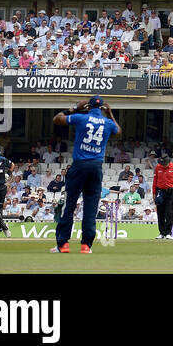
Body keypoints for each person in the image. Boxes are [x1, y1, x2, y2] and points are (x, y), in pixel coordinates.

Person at [51, 95, 120, 254]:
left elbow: (57, 119)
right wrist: (110, 114)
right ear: (102, 108)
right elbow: (118, 130)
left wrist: (75, 108)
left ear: (88, 106)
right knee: (90, 207)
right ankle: (86, 245)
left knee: (69, 205)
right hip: (96, 167)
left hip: (79, 165)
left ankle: (63, 245)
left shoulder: (81, 117)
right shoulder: (108, 123)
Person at [153, 150, 173, 239]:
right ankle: (161, 233)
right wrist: (154, 193)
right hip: (159, 191)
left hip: (170, 191)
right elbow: (155, 181)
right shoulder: (158, 167)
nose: (163, 165)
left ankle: (168, 232)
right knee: (160, 212)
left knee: (169, 212)